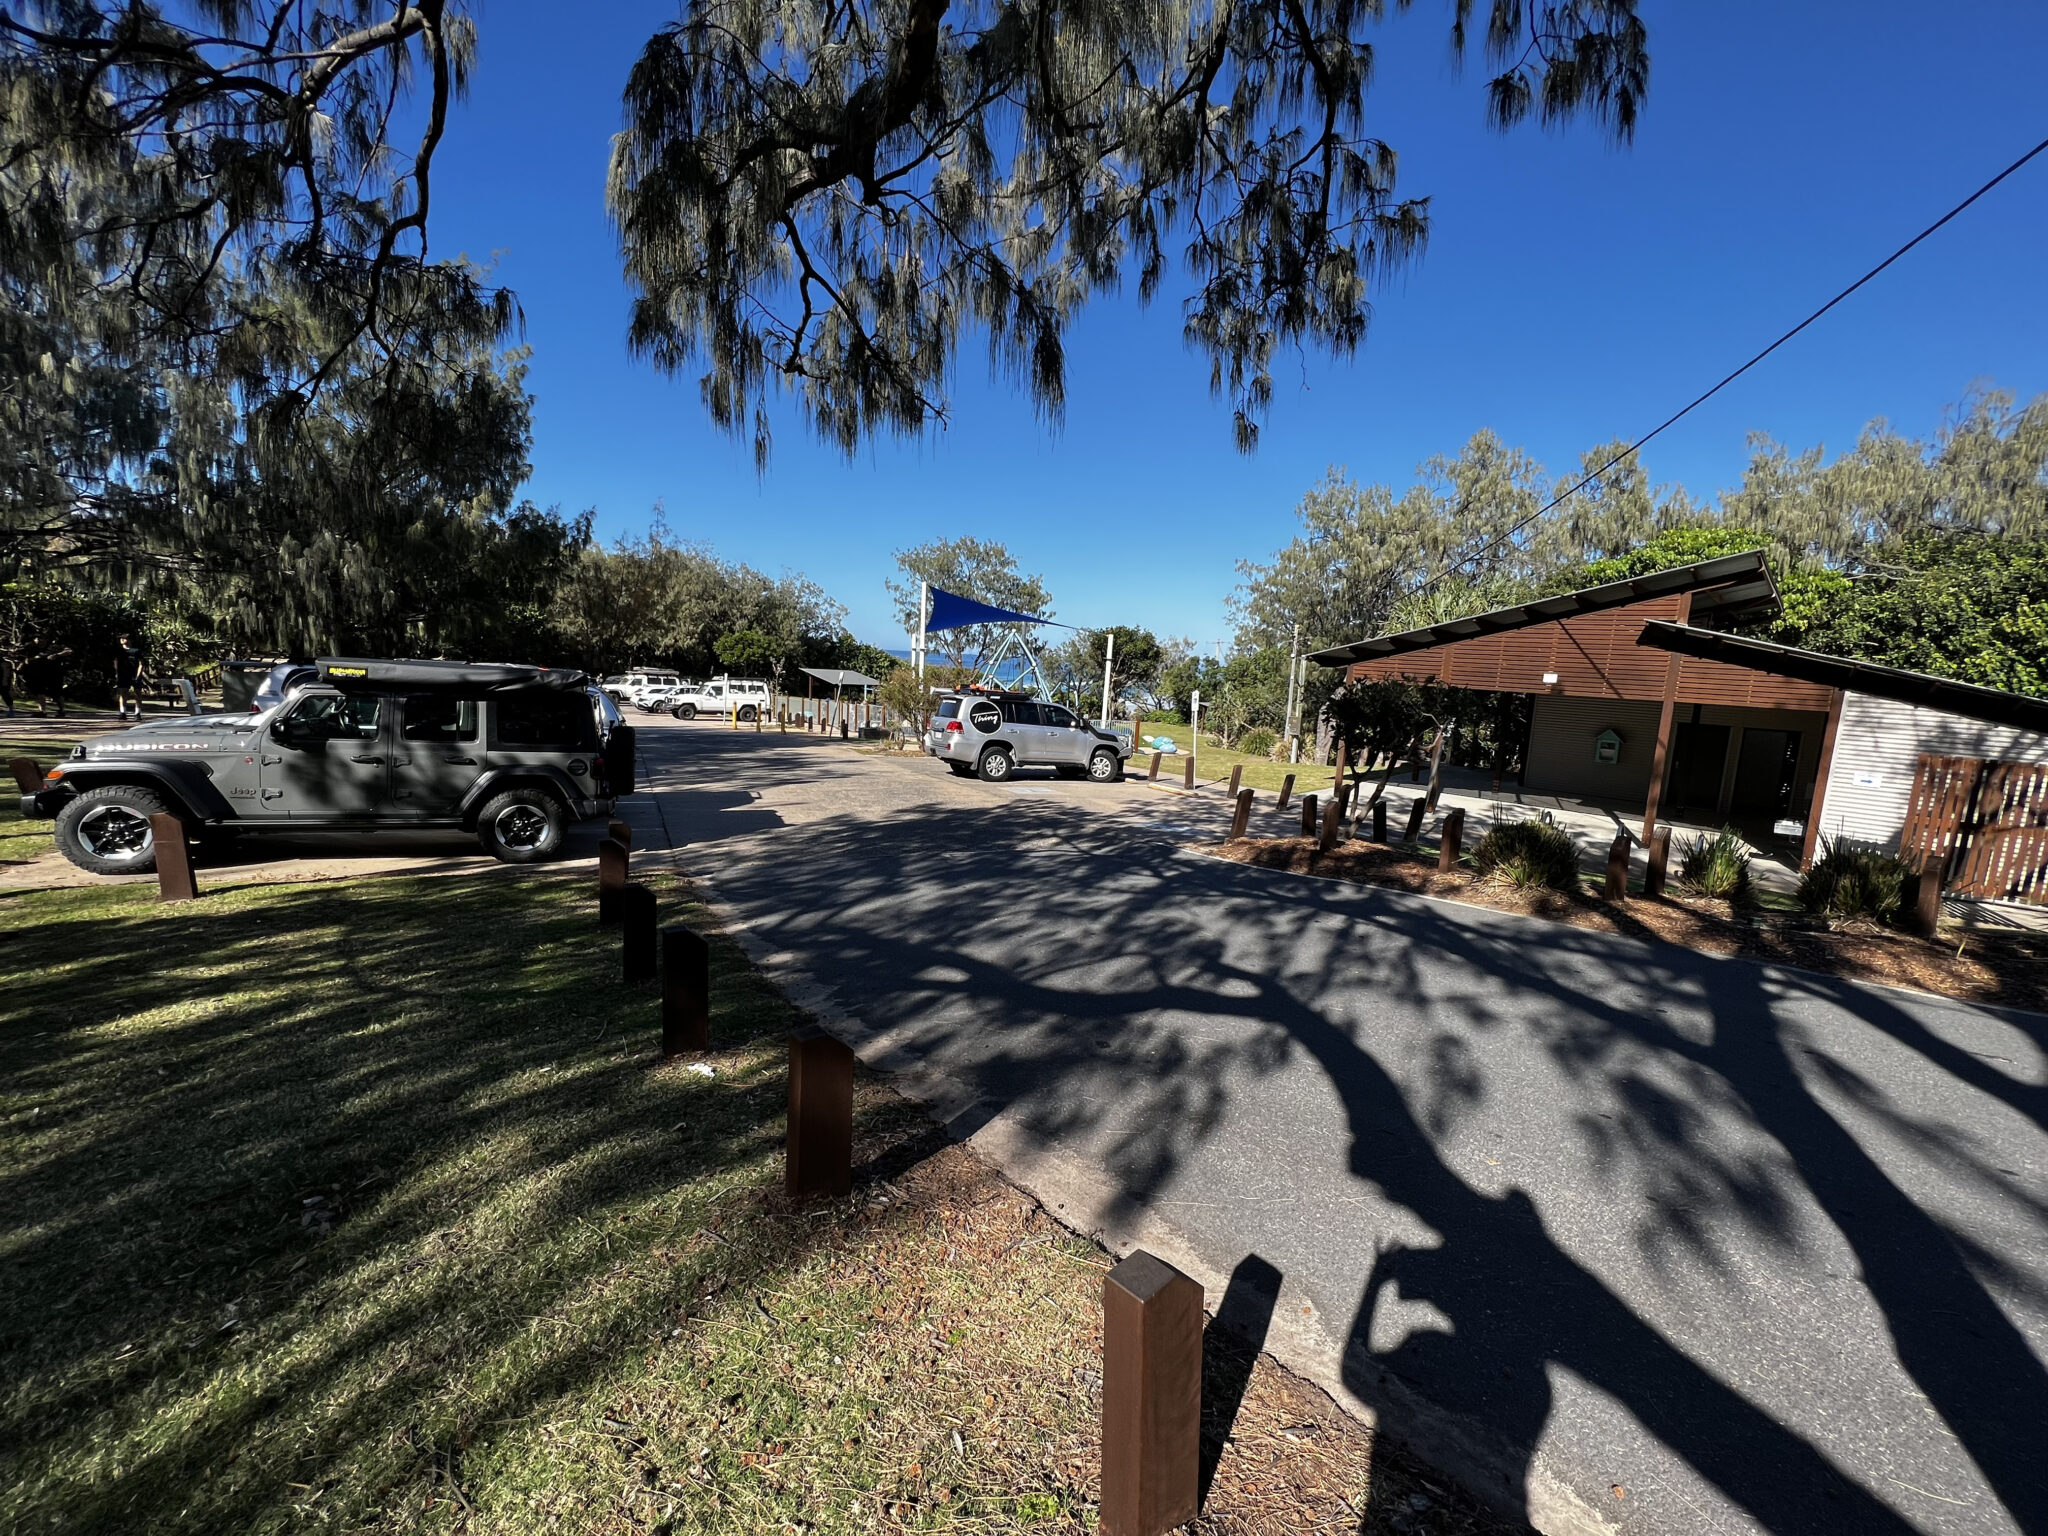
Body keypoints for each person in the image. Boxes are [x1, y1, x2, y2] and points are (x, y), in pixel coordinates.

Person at [114, 633, 151, 719]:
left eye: (124, 638)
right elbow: (116, 662)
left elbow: (141, 664)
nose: (122, 640)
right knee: (123, 693)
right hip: (123, 674)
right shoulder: (119, 651)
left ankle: (137, 713)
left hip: (134, 674)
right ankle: (122, 712)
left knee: (137, 693)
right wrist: (117, 672)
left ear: (129, 640)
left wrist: (138, 675)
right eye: (121, 638)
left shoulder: (136, 651)